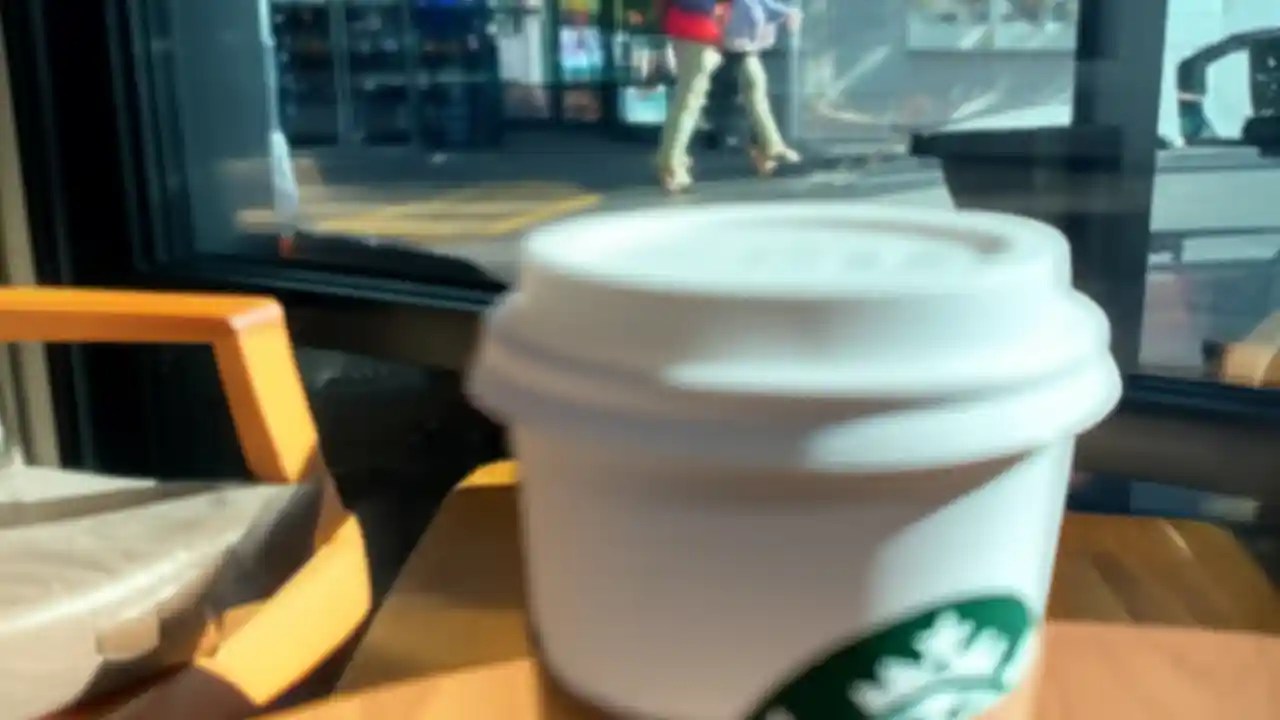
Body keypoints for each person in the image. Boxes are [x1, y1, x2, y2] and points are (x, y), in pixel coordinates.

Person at [654, 0, 729, 192]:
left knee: (687, 99)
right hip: (699, 32)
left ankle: (674, 157)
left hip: (688, 30)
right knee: (689, 101)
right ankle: (671, 161)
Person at [722, 0, 802, 176]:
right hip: (740, 45)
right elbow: (751, 6)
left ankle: (765, 150)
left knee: (755, 96)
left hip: (743, 44)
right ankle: (770, 147)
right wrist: (785, 12)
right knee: (755, 93)